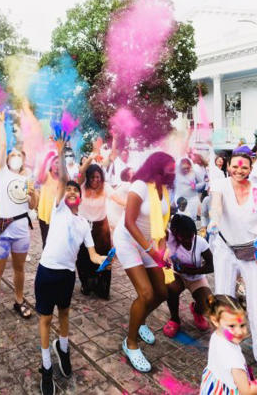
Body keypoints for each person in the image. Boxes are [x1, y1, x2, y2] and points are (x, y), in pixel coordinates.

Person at [36, 138, 108, 395]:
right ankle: (46, 367)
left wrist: (106, 258)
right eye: (67, 190)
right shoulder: (59, 211)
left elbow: (93, 255)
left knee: (64, 314)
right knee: (45, 319)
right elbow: (66, 178)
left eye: (75, 191)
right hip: (46, 272)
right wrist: (59, 151)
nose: (71, 193)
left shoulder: (84, 224)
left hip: (66, 276)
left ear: (81, 196)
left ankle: (62, 349)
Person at [208, 152, 257, 372]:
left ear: (251, 169)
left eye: (244, 168)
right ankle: (227, 349)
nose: (239, 171)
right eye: (235, 167)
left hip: (253, 252)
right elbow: (217, 206)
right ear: (228, 166)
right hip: (225, 249)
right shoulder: (220, 185)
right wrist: (214, 220)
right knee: (224, 300)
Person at [113, 152, 175, 373]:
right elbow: (129, 222)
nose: (173, 171)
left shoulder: (164, 189)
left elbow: (162, 223)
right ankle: (130, 343)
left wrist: (163, 249)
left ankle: (138, 321)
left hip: (150, 243)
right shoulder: (139, 186)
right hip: (129, 240)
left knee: (162, 292)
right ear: (156, 166)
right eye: (169, 167)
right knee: (146, 293)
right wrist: (151, 251)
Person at [0, 108, 38, 328]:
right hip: (1, 229)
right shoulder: (2, 172)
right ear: (7, 159)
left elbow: (33, 205)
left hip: (21, 230)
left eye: (18, 155)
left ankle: (18, 300)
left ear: (23, 160)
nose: (14, 157)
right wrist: (2, 121)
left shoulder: (27, 178)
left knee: (19, 269)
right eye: (12, 155)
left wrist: (33, 193)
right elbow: (4, 146)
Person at [200, 295, 257, 395]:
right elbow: (246, 392)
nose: (239, 332)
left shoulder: (217, 335)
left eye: (242, 325)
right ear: (215, 321)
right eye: (232, 326)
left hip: (215, 384)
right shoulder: (234, 359)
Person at [162, 214, 213, 337]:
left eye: (191, 235)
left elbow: (211, 266)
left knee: (207, 303)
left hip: (196, 278)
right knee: (171, 288)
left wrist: (193, 271)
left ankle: (196, 310)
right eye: (184, 236)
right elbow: (158, 227)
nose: (189, 239)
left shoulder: (200, 242)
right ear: (175, 233)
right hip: (178, 275)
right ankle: (175, 319)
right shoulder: (171, 239)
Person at [77, 157, 113, 298]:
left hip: (101, 228)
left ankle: (102, 288)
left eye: (98, 177)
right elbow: (80, 172)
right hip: (83, 227)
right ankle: (86, 285)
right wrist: (91, 156)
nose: (95, 180)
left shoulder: (105, 187)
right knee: (83, 257)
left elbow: (118, 199)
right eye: (92, 177)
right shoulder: (81, 186)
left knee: (104, 257)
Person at [36, 152, 60, 248]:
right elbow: (39, 178)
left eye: (59, 163)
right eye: (55, 162)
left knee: (57, 243)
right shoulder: (46, 175)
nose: (57, 165)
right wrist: (46, 159)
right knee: (46, 242)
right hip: (44, 214)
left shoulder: (62, 178)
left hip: (58, 215)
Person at [173, 157, 205, 222]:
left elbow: (202, 183)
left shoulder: (194, 172)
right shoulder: (176, 174)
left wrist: (195, 186)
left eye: (188, 168)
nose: (186, 170)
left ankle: (191, 231)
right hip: (180, 199)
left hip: (193, 199)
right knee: (182, 218)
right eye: (184, 168)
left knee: (192, 218)